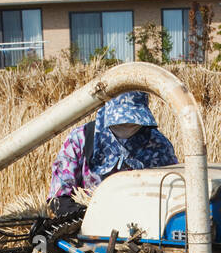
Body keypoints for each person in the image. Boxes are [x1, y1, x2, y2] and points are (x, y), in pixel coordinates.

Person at [47, 91, 177, 215]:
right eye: (120, 121)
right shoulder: (81, 138)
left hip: (144, 226)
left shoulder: (159, 145)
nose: (126, 124)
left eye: (131, 122)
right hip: (86, 226)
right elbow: (58, 196)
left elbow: (173, 194)